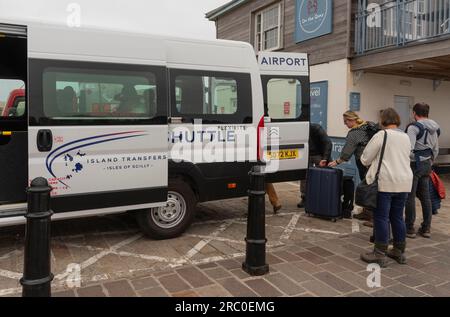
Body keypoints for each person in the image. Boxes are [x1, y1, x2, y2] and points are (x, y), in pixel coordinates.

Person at [360, 108, 413, 267]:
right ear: (397, 120)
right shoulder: (405, 136)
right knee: (397, 216)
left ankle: (379, 252)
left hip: (386, 181)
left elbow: (365, 159)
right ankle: (399, 251)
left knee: (381, 217)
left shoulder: (381, 135)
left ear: (382, 121)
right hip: (404, 181)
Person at [405, 103, 440, 239]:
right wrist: (430, 161)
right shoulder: (435, 127)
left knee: (410, 196)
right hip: (427, 164)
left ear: (414, 113)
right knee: (425, 196)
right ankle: (426, 228)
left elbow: (409, 148)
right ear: (427, 112)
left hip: (414, 164)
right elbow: (435, 149)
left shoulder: (414, 127)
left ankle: (409, 228)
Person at [298, 123, 332, 208]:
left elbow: (328, 143)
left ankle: (324, 197)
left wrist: (325, 158)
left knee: (324, 175)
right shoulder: (299, 130)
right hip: (306, 154)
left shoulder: (316, 128)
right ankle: (304, 198)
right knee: (304, 176)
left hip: (319, 154)